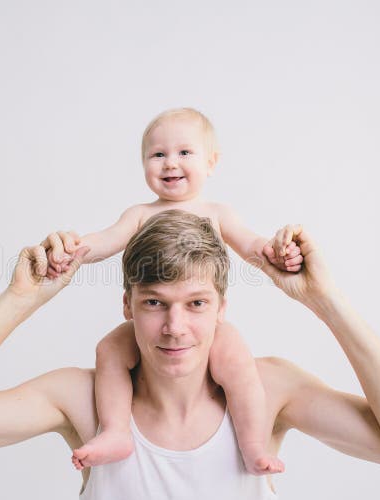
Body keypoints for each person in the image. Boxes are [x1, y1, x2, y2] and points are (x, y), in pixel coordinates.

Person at [0, 209, 380, 500]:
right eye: (155, 303)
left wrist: (324, 301)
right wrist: (17, 301)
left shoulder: (269, 390)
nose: (175, 328)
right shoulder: (82, 399)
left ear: (222, 308)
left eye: (196, 304)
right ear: (127, 306)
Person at [50, 107, 302, 474]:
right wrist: (72, 250)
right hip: (152, 318)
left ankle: (251, 446)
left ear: (211, 162)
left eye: (184, 152)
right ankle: (117, 431)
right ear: (143, 164)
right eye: (158, 154)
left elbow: (251, 245)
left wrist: (277, 252)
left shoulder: (217, 213)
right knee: (109, 350)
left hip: (203, 323)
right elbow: (106, 240)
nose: (170, 163)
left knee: (238, 363)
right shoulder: (139, 214)